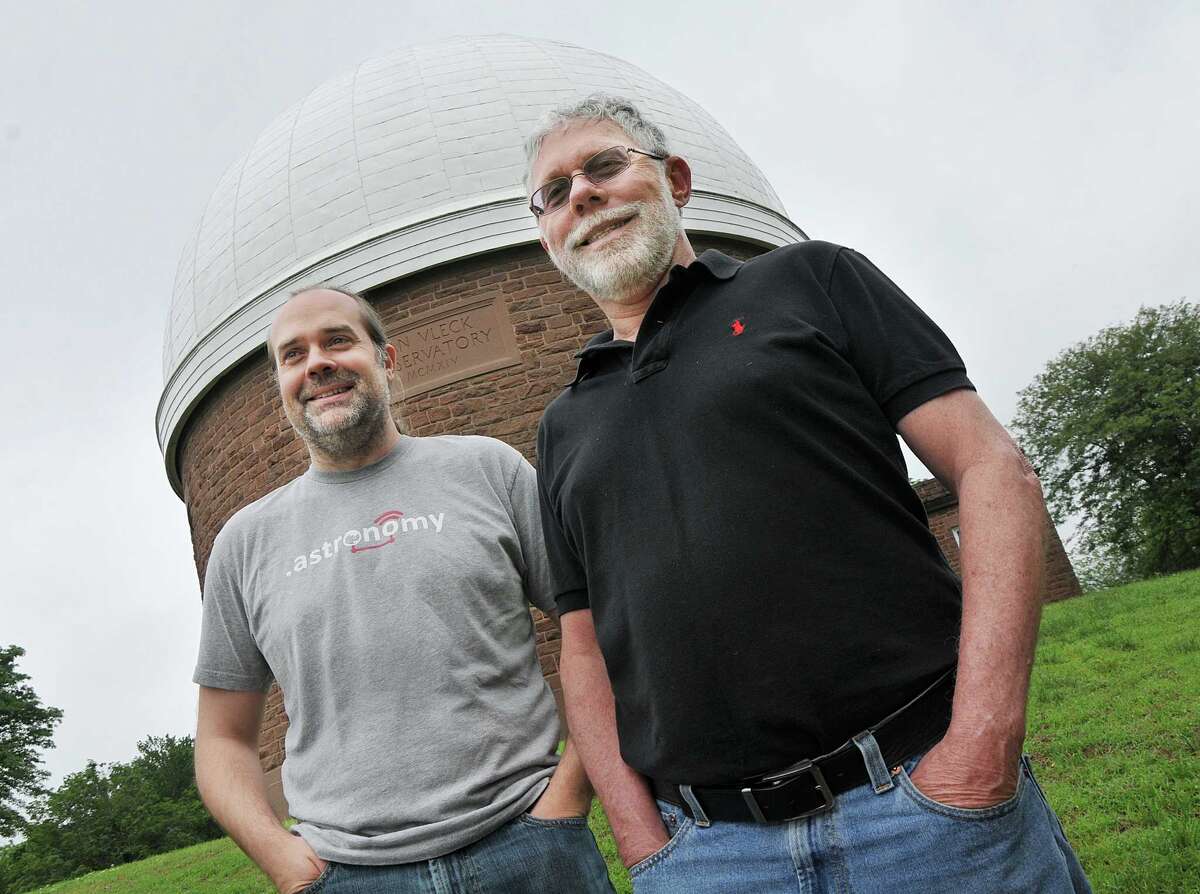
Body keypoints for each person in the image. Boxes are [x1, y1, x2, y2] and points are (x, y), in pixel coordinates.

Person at [527, 94, 1092, 893]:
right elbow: (582, 643)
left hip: (924, 804)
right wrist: (640, 837)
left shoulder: (813, 280)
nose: (580, 193)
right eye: (553, 192)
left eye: (605, 165)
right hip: (710, 856)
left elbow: (993, 469)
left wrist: (979, 751)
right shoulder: (564, 425)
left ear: (676, 180)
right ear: (549, 234)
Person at [192, 286, 613, 894]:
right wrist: (284, 863)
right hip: (352, 874)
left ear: (386, 359)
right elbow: (223, 738)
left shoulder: (488, 470)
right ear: (282, 387)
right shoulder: (244, 543)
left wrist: (568, 792)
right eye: (294, 355)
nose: (318, 363)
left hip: (529, 847)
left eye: (338, 340)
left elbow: (600, 630)